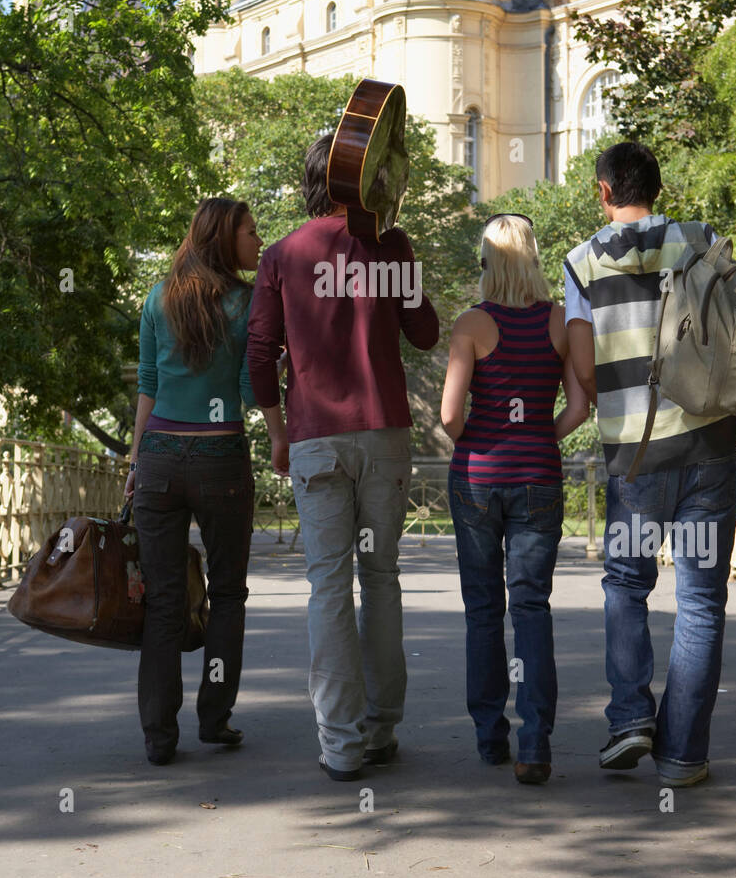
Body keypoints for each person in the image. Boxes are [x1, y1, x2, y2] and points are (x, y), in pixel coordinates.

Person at [247, 133, 439, 781]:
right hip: (384, 433)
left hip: (314, 438)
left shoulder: (280, 255)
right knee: (380, 578)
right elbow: (425, 332)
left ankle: (341, 745)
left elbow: (256, 355)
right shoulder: (391, 246)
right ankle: (383, 728)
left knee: (329, 585)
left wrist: (277, 430)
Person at [564, 142, 736, 788]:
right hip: (711, 445)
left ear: (603, 191)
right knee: (700, 603)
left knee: (627, 587)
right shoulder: (700, 241)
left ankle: (630, 721)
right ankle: (682, 758)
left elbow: (582, 366)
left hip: (636, 458)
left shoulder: (582, 262)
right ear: (657, 188)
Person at [125, 197, 284, 765]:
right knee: (227, 594)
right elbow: (247, 387)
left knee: (164, 603)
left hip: (161, 462)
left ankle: (158, 736)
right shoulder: (246, 304)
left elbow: (148, 385)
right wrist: (280, 431)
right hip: (220, 462)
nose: (259, 239)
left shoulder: (156, 299)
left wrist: (137, 460)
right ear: (223, 239)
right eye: (250, 231)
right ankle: (214, 719)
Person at [441, 213, 590, 786]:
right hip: (539, 481)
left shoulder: (471, 324)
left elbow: (451, 416)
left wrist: (480, 441)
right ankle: (535, 741)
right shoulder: (560, 322)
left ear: (488, 263)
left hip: (477, 479)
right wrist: (535, 439)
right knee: (531, 607)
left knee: (483, 610)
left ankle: (489, 737)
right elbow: (578, 408)